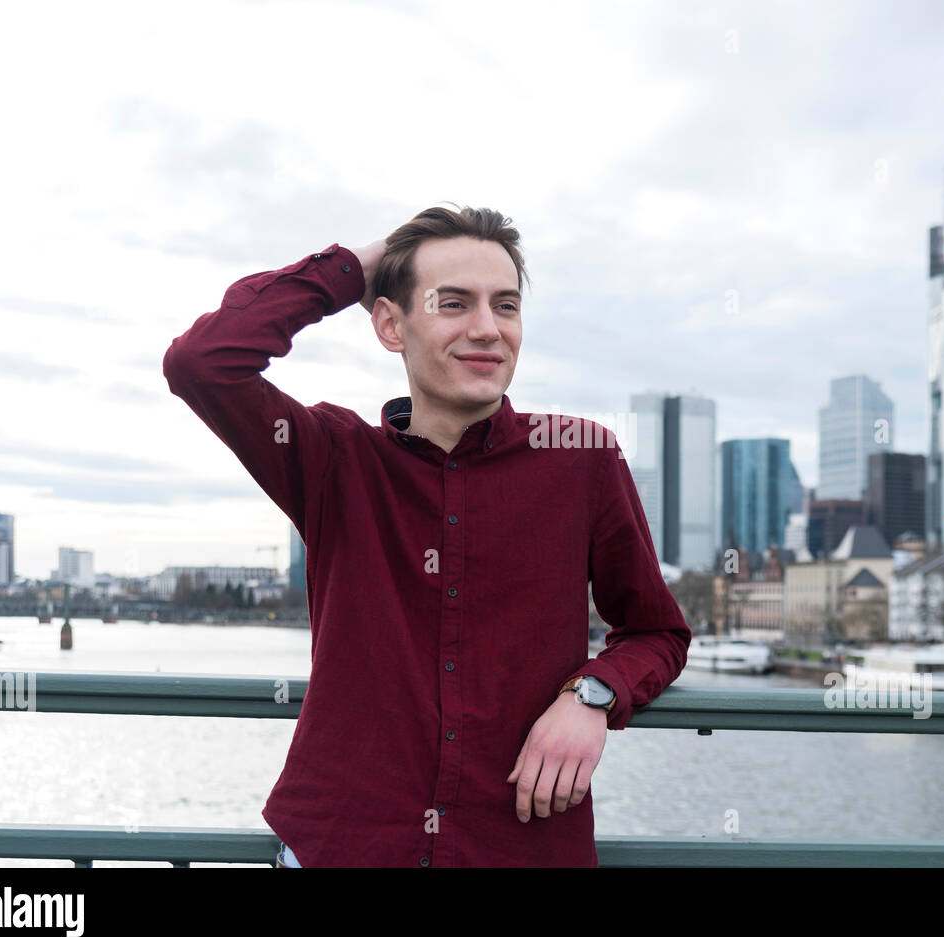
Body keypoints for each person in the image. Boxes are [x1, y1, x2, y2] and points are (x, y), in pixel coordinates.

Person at [162, 204, 691, 867]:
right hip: (345, 845)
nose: (487, 329)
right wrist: (354, 268)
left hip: (520, 848)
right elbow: (202, 362)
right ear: (390, 324)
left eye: (506, 305)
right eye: (453, 303)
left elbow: (657, 631)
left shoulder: (581, 455)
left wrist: (592, 694)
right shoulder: (334, 460)